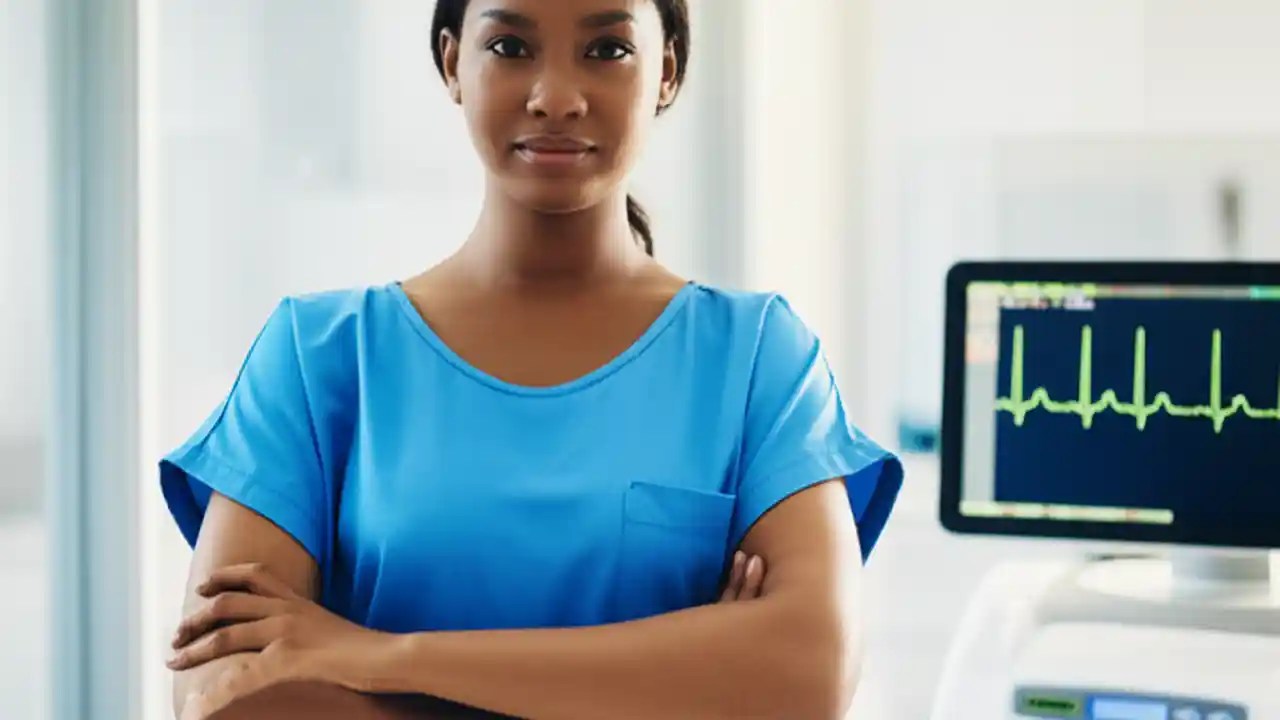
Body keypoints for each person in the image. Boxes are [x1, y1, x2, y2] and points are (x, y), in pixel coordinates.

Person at [159, 1, 903, 718]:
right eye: (510, 47)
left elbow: (809, 673)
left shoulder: (759, 360)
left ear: (668, 70)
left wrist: (375, 657)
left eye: (606, 49)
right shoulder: (316, 357)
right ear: (452, 62)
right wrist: (685, 687)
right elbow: (226, 699)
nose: (555, 97)